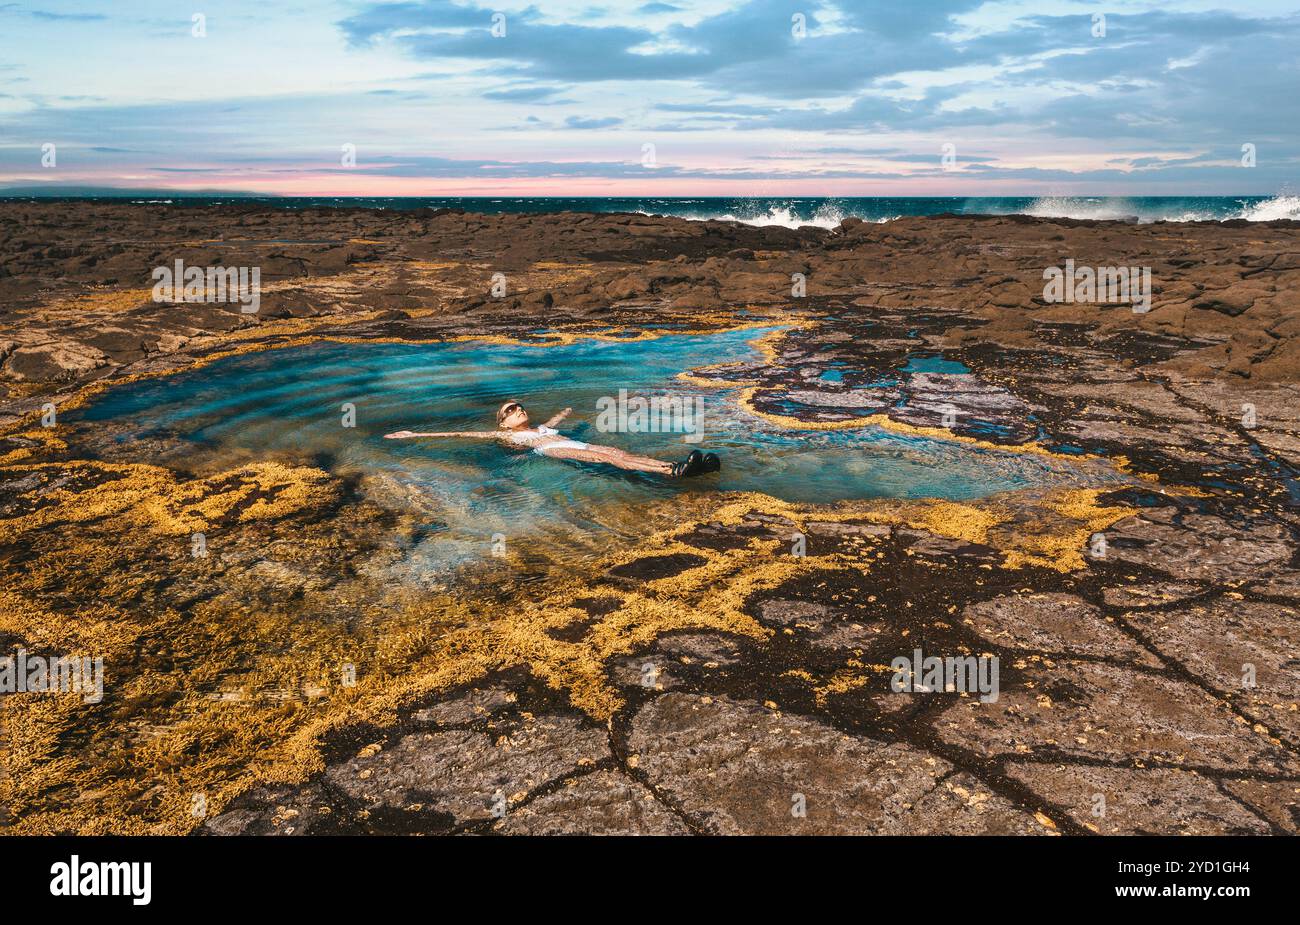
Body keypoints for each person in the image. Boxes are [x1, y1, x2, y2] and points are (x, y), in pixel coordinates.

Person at [384, 399, 720, 478]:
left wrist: (567, 411)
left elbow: (556, 420)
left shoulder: (539, 426)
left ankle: (678, 467)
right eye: (510, 411)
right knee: (610, 459)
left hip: (574, 442)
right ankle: (671, 472)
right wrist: (414, 434)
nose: (517, 411)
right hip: (555, 451)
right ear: (502, 425)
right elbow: (459, 433)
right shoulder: (503, 435)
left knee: (616, 451)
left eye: (518, 407)